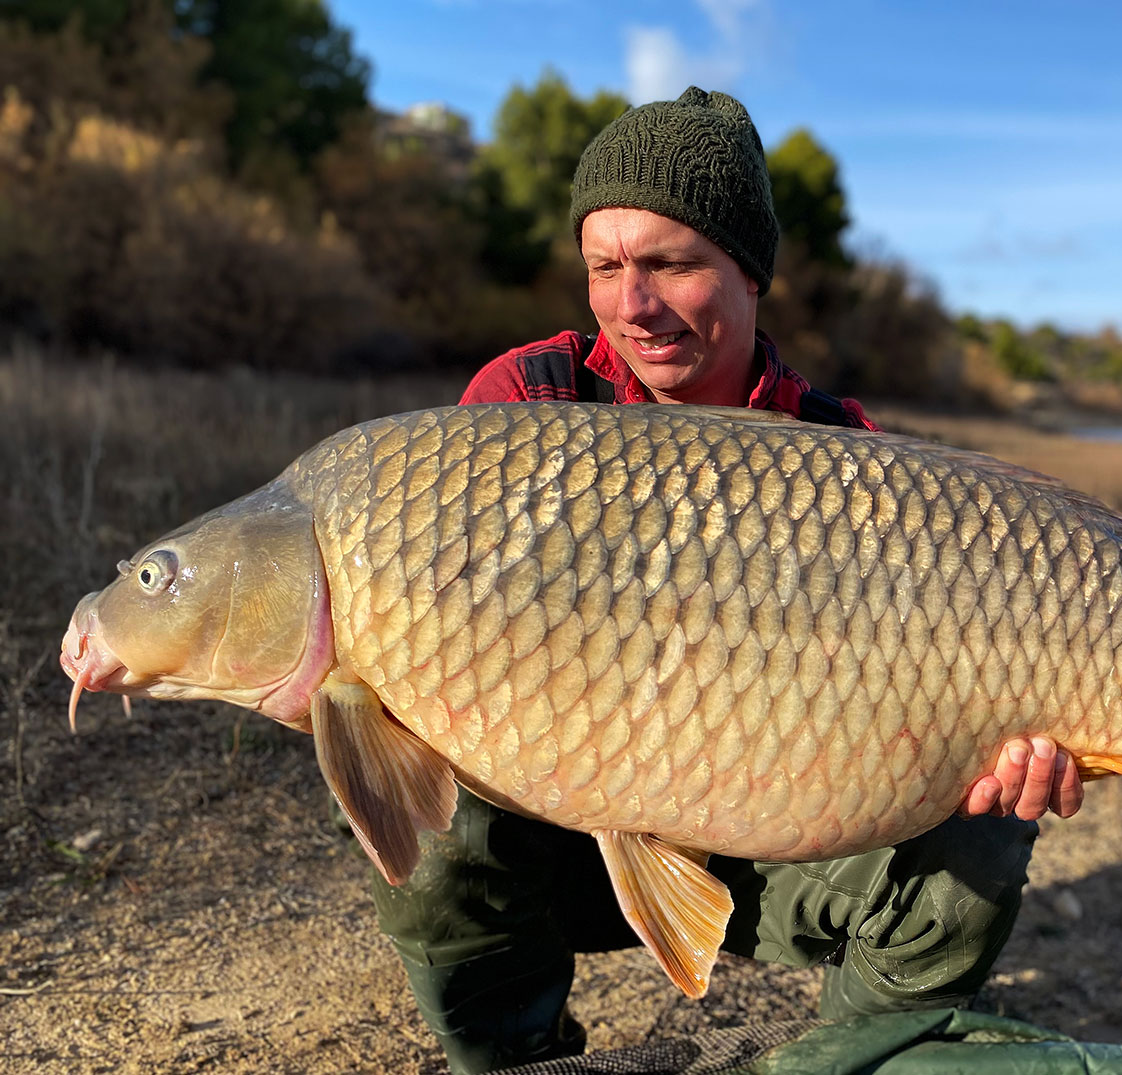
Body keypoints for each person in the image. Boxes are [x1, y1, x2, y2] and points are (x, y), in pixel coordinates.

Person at [368, 86, 1084, 1075]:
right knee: (425, 797)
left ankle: (849, 1056)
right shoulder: (520, 410)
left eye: (671, 263)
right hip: (556, 839)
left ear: (750, 276)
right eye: (606, 266)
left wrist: (1002, 747)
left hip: (781, 824)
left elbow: (924, 698)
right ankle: (519, 1057)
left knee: (986, 830)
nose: (633, 303)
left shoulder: (842, 455)